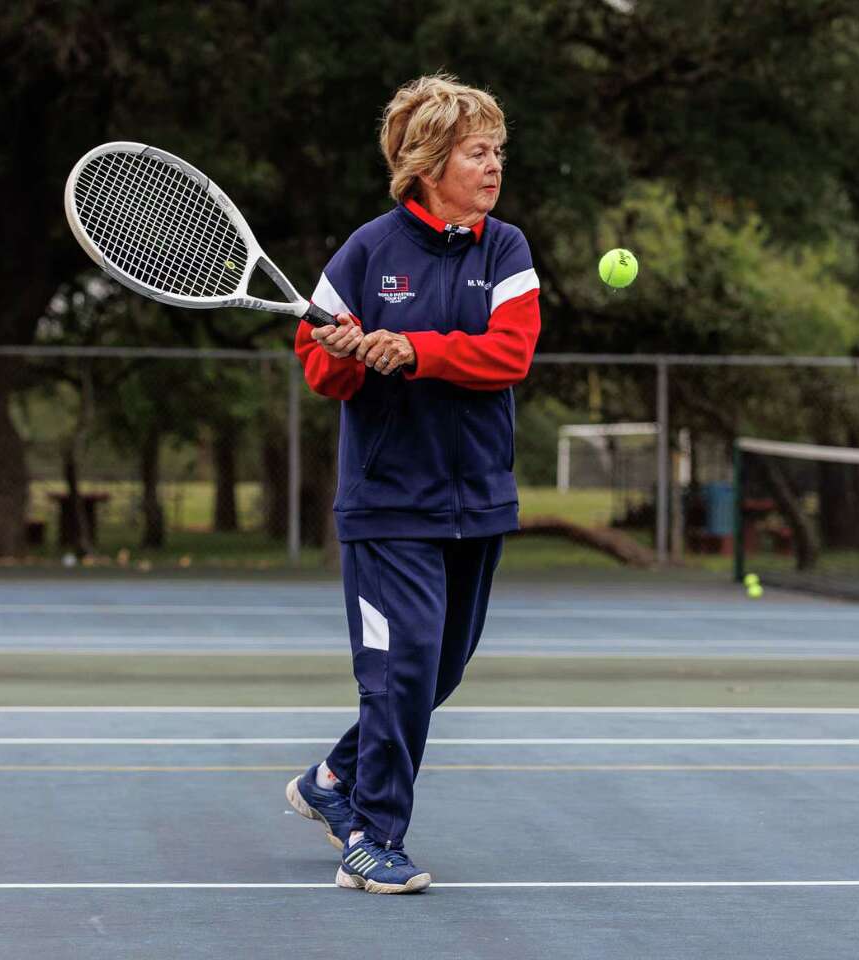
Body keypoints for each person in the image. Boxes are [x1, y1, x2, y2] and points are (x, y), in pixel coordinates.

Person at [285, 75, 540, 894]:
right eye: (477, 152)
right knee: (402, 667)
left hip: (477, 501)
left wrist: (417, 349)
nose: (494, 166)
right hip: (387, 502)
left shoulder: (507, 250)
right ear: (430, 163)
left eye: (498, 150)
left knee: (440, 670)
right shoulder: (365, 252)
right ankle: (372, 836)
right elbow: (316, 363)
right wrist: (349, 350)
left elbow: (511, 353)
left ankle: (332, 781)